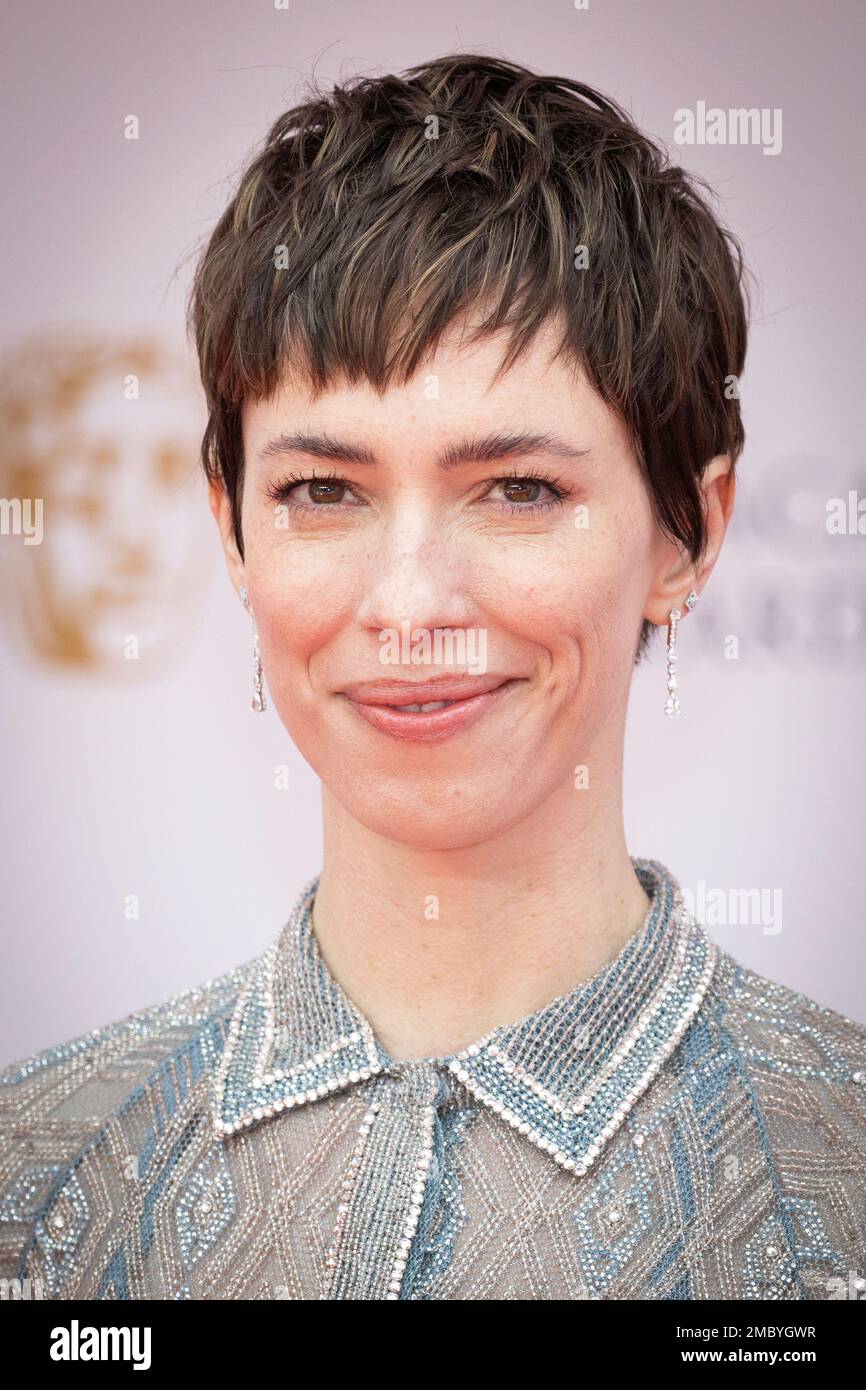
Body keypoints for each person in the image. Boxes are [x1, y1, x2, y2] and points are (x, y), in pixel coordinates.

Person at [2, 53, 864, 1302]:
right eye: (322, 491)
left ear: (688, 533)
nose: (408, 604)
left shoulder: (831, 1203)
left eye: (518, 489)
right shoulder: (37, 1186)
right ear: (232, 532)